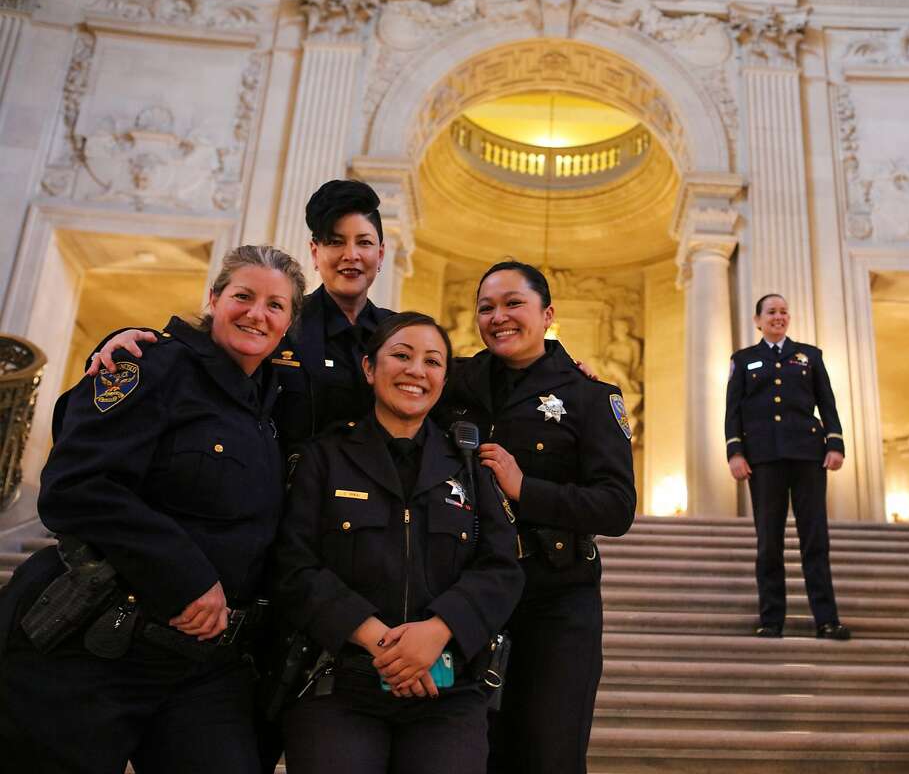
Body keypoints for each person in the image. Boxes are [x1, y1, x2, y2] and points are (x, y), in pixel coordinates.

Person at [0, 245, 305, 774]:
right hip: (97, 647)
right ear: (213, 299)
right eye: (243, 296)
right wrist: (186, 575)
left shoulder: (270, 407)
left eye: (275, 305)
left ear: (288, 325)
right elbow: (77, 484)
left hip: (203, 668)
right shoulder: (152, 364)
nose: (257, 313)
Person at [270, 312, 524, 774]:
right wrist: (384, 642)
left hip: (446, 684)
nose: (416, 371)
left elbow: (502, 568)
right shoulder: (324, 457)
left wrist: (437, 632)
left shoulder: (468, 466)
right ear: (369, 368)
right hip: (340, 682)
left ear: (444, 380)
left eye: (432, 361)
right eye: (401, 356)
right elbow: (294, 565)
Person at [441, 261, 636, 774]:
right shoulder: (452, 380)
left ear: (547, 314)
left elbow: (617, 506)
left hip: (554, 597)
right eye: (486, 307)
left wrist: (526, 489)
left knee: (548, 753)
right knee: (467, 750)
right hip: (467, 593)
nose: (498, 316)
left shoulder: (591, 397)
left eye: (513, 304)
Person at [87, 179, 393, 453]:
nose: (350, 254)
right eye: (335, 242)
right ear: (315, 253)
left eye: (364, 242)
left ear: (380, 254)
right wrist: (134, 341)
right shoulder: (277, 323)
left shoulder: (400, 337)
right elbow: (207, 351)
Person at [724, 294, 850, 641]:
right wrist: (735, 452)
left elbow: (827, 402)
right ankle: (771, 620)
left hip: (808, 455)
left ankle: (826, 620)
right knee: (769, 542)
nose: (778, 317)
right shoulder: (743, 360)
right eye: (771, 312)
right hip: (763, 458)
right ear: (758, 320)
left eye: (783, 311)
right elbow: (732, 410)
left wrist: (834, 443)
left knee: (815, 540)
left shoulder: (810, 355)